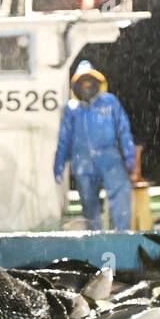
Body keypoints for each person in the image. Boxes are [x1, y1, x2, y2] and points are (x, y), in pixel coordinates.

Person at [53, 61, 137, 230]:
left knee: (121, 195)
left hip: (110, 158)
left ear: (97, 81)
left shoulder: (110, 102)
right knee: (89, 206)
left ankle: (123, 234)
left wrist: (130, 156)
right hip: (82, 162)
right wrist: (59, 163)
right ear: (76, 85)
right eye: (83, 81)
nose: (87, 84)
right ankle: (96, 239)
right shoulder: (71, 109)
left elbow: (123, 130)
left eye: (90, 80)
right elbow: (64, 138)